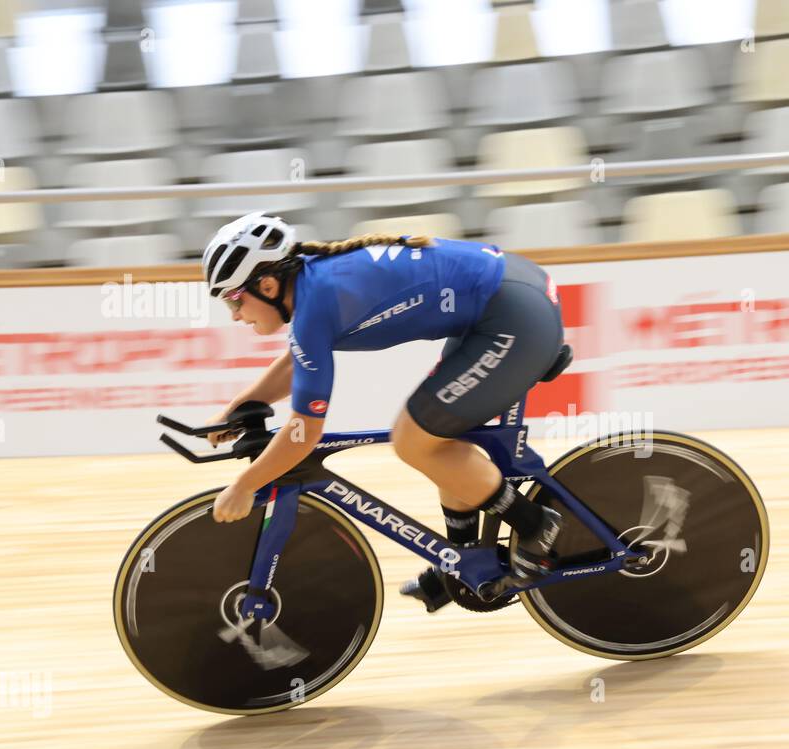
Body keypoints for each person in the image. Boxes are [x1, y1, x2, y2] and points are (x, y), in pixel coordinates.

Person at [201, 211, 564, 611]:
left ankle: (535, 526)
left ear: (267, 285)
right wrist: (239, 408)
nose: (235, 314)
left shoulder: (316, 301)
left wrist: (246, 484)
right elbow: (300, 361)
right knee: (439, 434)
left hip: (513, 315)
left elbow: (305, 432)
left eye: (235, 299)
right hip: (506, 302)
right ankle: (462, 559)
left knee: (415, 439)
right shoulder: (311, 285)